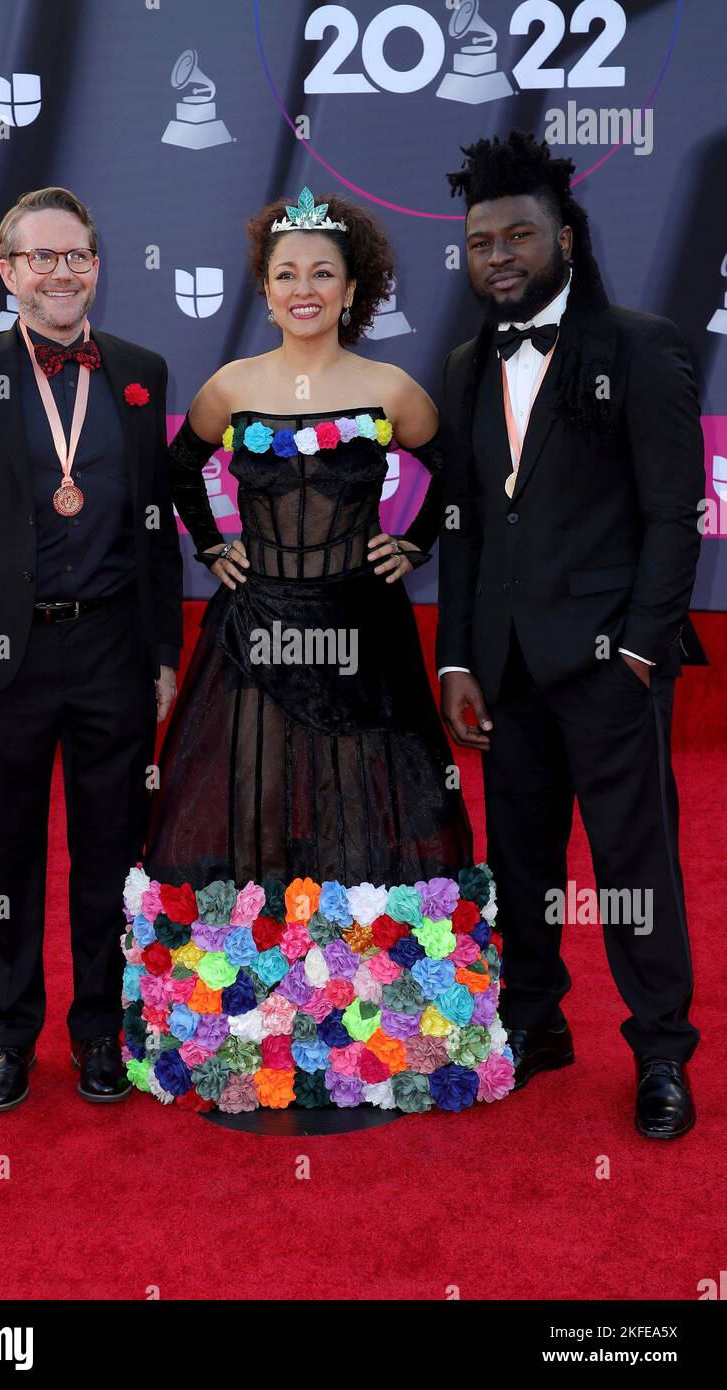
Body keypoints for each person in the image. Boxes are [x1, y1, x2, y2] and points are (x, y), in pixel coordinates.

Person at [122, 189, 513, 1115]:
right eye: (286, 274)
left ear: (352, 290)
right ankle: (251, 1019)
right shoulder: (230, 386)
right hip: (251, 635)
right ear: (265, 289)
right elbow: (178, 472)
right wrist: (211, 545)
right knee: (248, 801)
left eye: (322, 274)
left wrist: (411, 542)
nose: (304, 289)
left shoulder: (389, 390)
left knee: (357, 801)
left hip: (361, 636)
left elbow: (457, 473)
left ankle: (369, 1017)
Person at [436, 131, 704, 1138]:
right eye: (477, 241)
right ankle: (535, 1022)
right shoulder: (464, 362)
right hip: (502, 666)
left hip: (607, 664)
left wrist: (639, 649)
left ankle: (661, 1051)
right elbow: (464, 522)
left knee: (634, 867)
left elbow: (672, 513)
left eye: (516, 235)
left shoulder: (638, 345)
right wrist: (455, 654)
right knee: (519, 862)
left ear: (565, 239)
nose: (496, 254)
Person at [0, 187, 182, 1112]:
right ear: (8, 271)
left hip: (111, 650)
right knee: (9, 855)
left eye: (77, 256)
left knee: (111, 852)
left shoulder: (143, 373)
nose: (61, 273)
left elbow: (157, 533)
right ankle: (11, 1036)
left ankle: (100, 1030)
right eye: (40, 258)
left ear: (98, 265)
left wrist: (163, 652)